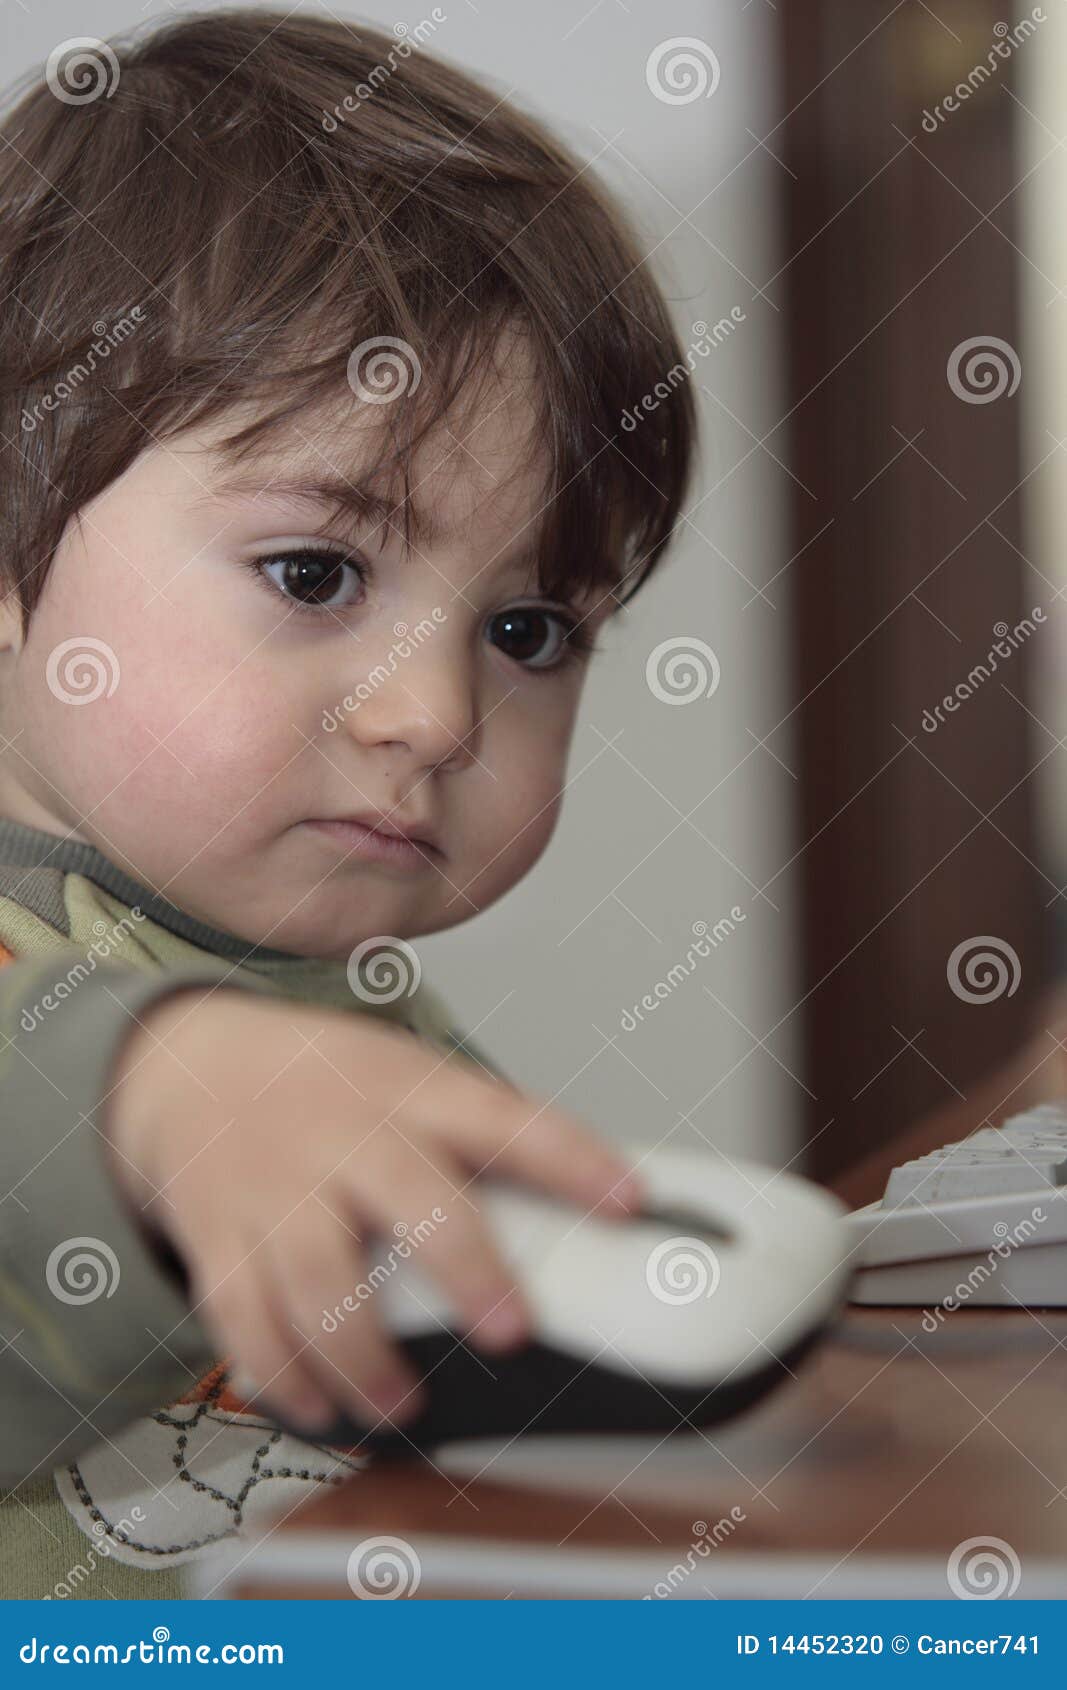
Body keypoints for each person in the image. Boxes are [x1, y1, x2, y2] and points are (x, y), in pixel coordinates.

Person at [0, 8, 696, 1595]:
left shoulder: (359, 1011)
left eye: (528, 632)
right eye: (315, 572)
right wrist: (159, 1088)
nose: (436, 715)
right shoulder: (152, 1034)